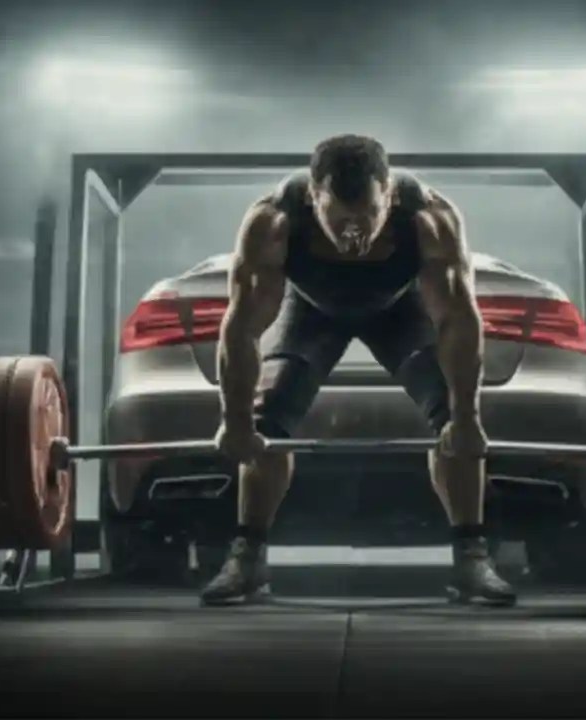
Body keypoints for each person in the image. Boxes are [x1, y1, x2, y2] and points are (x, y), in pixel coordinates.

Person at [202, 134, 516, 607]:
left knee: (454, 414)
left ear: (388, 195)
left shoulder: (430, 219)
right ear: (313, 197)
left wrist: (468, 419)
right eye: (340, 219)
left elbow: (456, 318)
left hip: (401, 313)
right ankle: (248, 558)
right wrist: (235, 421)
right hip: (310, 313)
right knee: (267, 418)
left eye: (367, 216)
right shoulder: (274, 221)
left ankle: (471, 557)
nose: (355, 232)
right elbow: (243, 327)